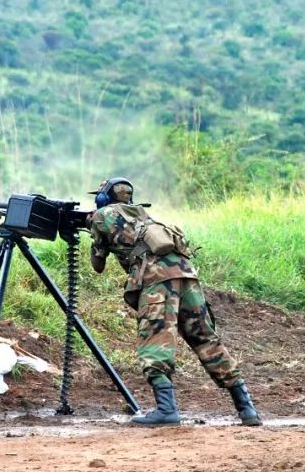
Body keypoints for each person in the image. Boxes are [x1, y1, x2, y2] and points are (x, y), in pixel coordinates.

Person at [87, 177, 262, 427]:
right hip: (186, 274)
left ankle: (166, 410)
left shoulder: (102, 215)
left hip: (157, 279)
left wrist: (92, 228)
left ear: (103, 198)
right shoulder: (143, 216)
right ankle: (247, 409)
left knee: (156, 339)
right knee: (204, 337)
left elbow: (98, 265)